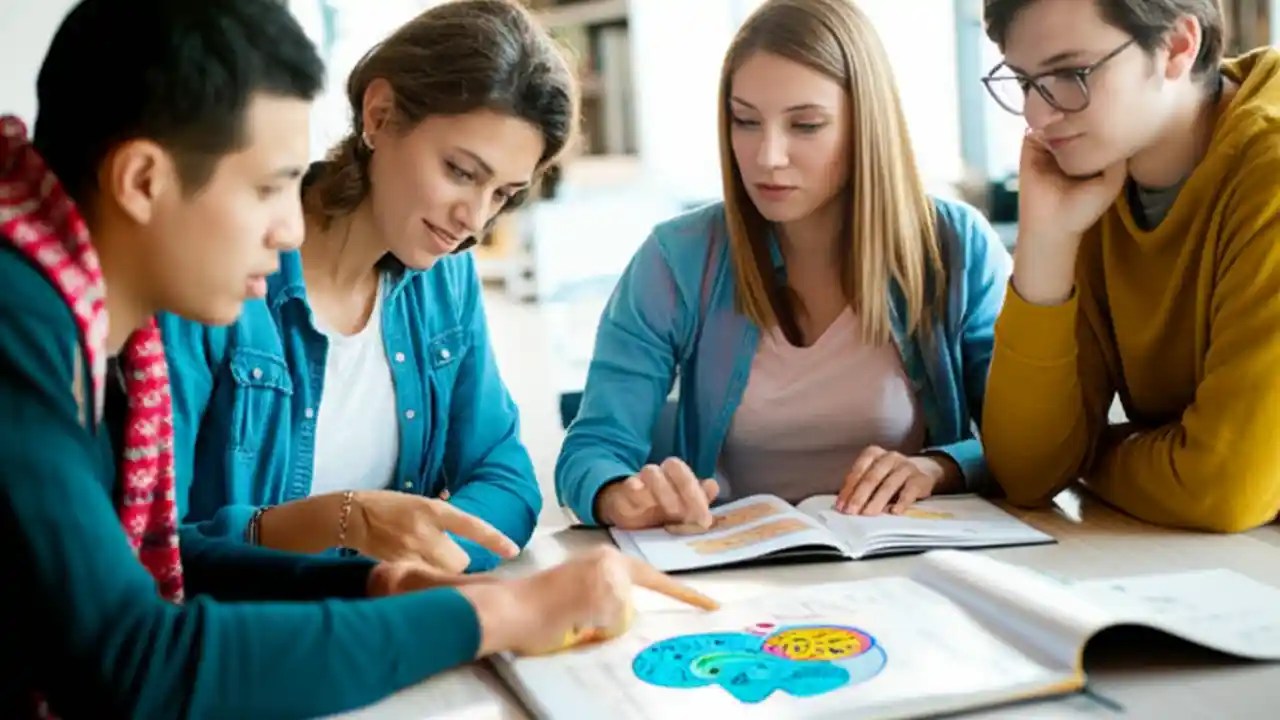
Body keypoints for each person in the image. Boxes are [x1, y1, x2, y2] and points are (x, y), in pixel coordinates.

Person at [0, 1, 694, 716]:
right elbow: (136, 660)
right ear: (143, 181)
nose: (291, 225)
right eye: (269, 188)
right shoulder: (19, 321)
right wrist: (494, 617)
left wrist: (382, 587)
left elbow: (157, 567)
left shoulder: (62, 305)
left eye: (505, 194)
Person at [555, 0, 1011, 531]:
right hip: (735, 571)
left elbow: (1022, 449)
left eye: (806, 125)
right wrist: (616, 494)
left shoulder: (955, 247)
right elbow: (590, 451)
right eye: (745, 121)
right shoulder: (677, 257)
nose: (768, 156)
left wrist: (942, 468)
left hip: (916, 565)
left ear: (867, 126)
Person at [161, 0, 573, 572]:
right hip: (254, 638)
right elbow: (158, 545)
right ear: (379, 115)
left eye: (501, 193)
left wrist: (422, 559)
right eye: (460, 171)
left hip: (382, 625)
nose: (474, 220)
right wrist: (358, 553)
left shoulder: (445, 278)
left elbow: (503, 474)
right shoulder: (215, 274)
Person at [979, 0, 1280, 532]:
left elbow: (1222, 489)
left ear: (1177, 47)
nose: (1038, 115)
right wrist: (1046, 241)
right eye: (1025, 82)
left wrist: (1088, 457)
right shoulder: (1097, 170)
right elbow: (1027, 473)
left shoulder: (1268, 165)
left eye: (1071, 74)